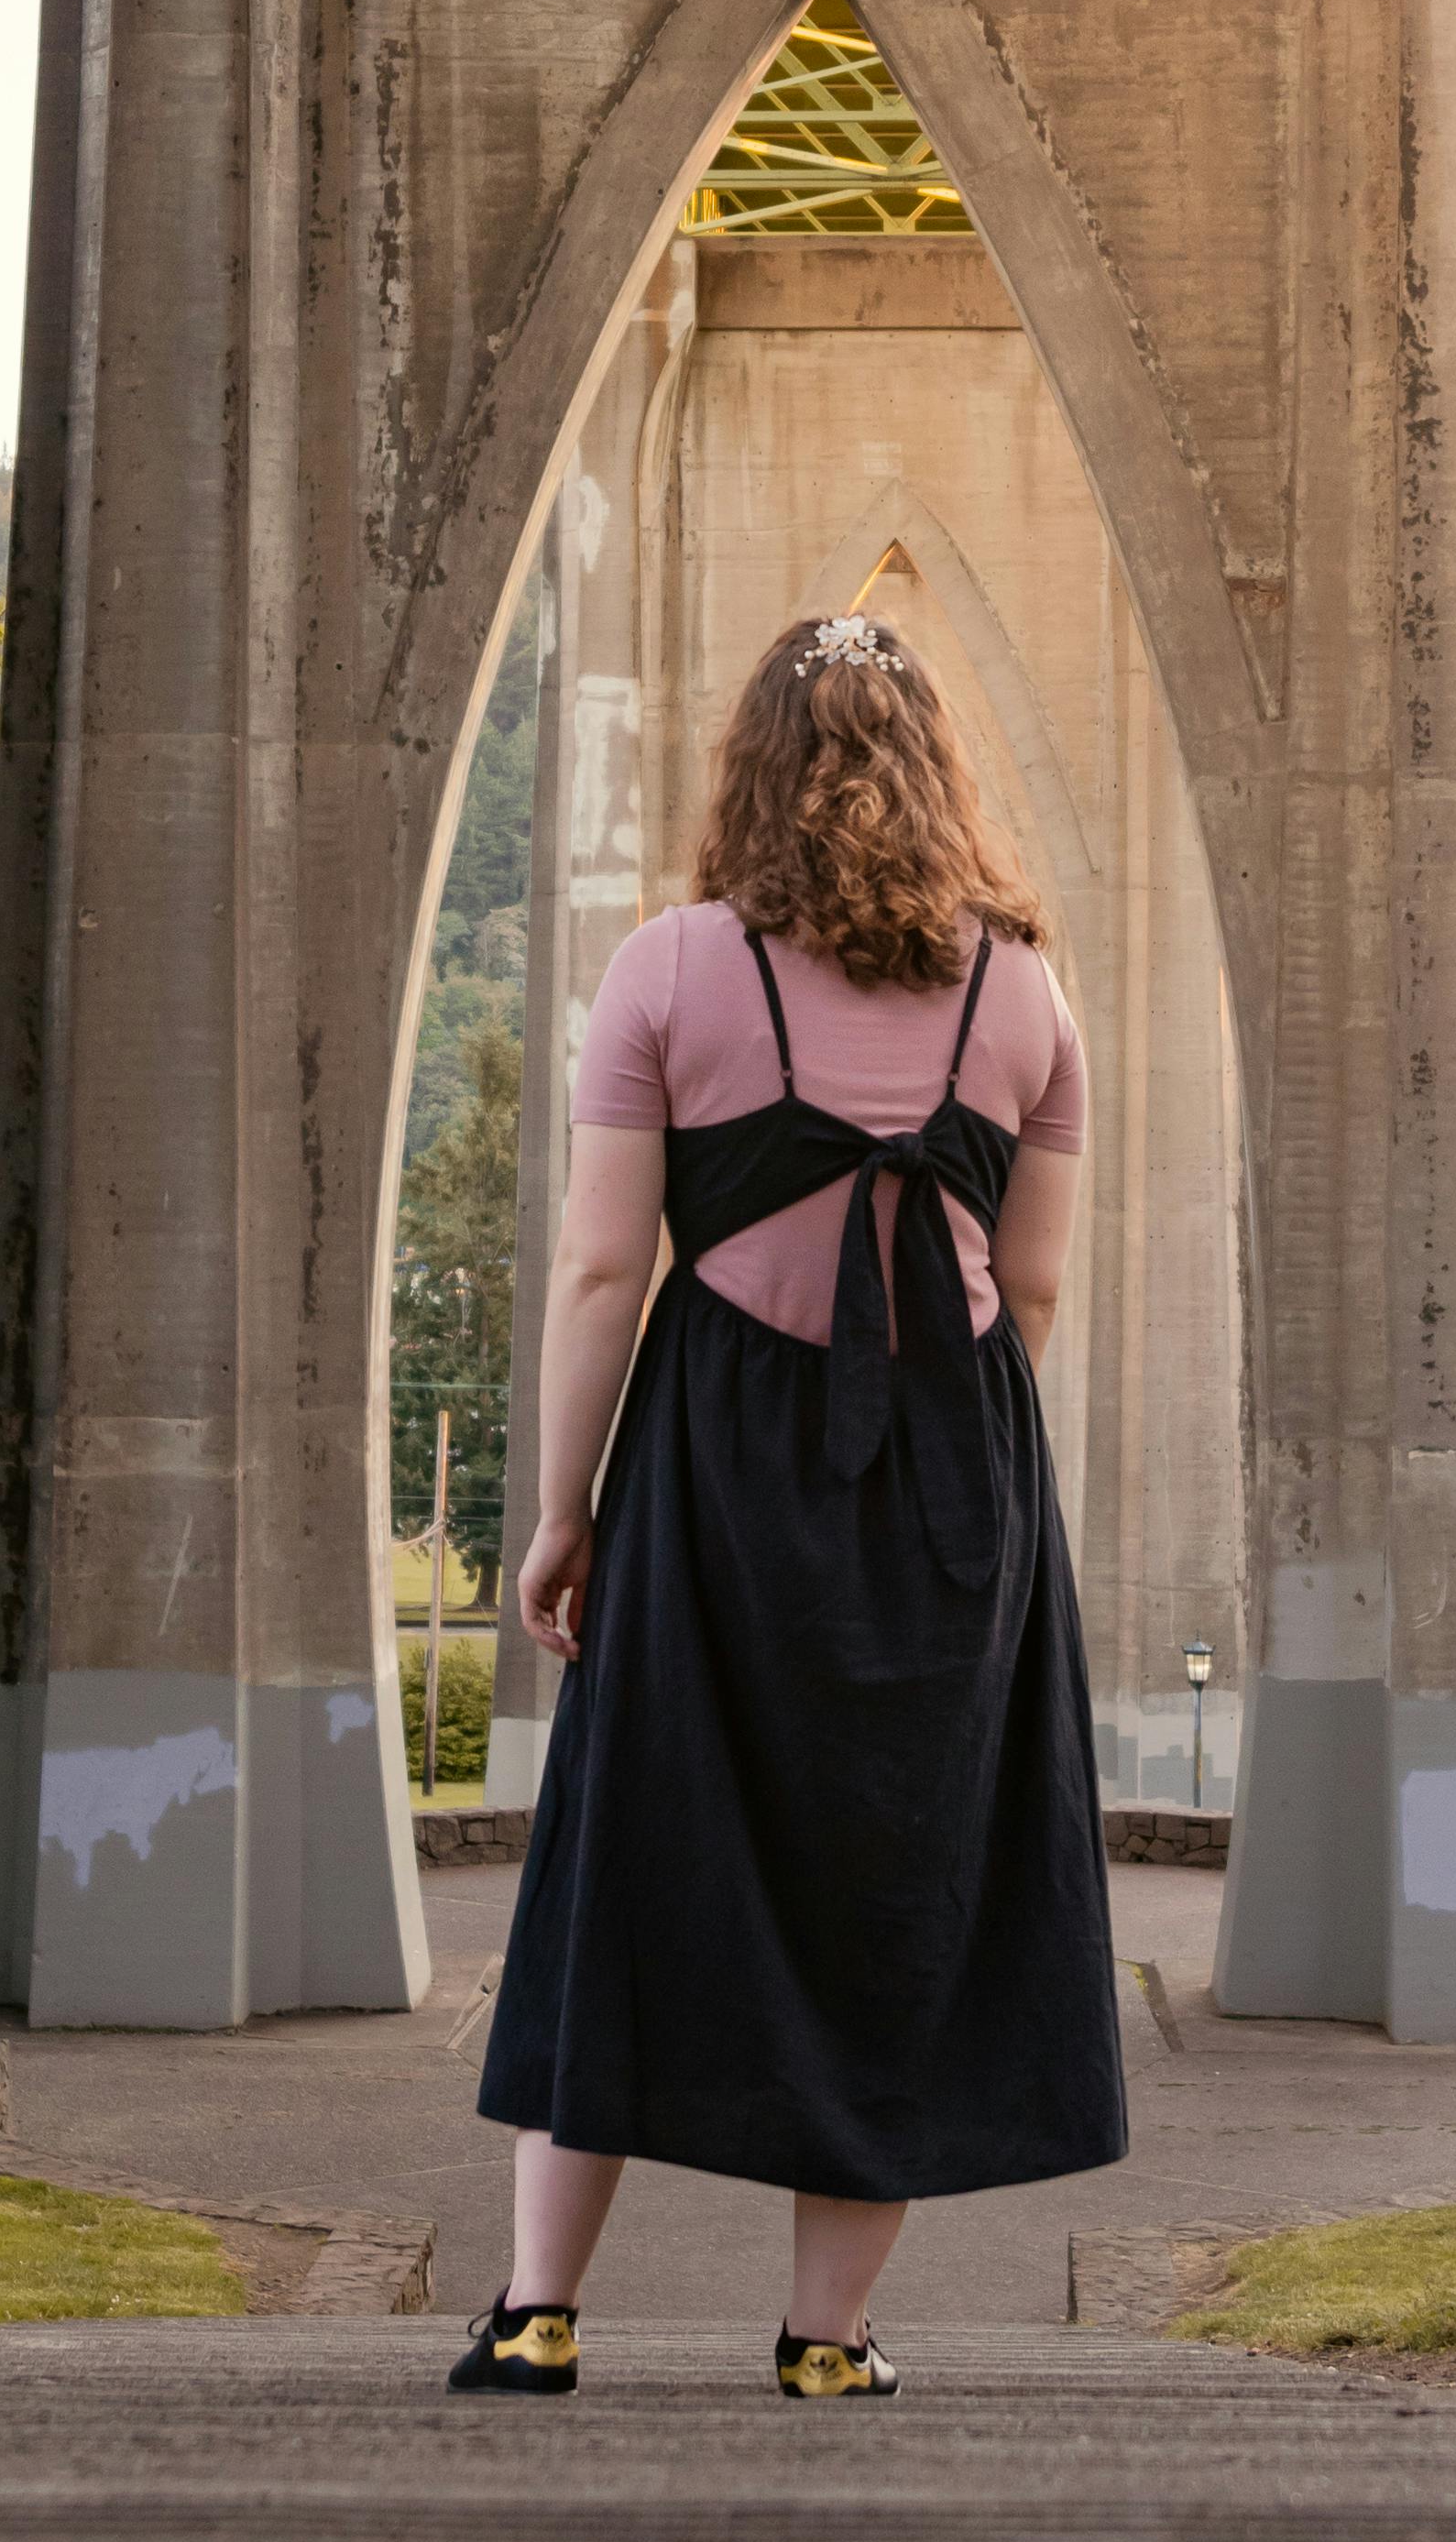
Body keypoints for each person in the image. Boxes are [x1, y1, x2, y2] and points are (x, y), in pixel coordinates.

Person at [464, 605, 1124, 2405]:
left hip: (711, 1461)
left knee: (626, 1854)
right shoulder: (1027, 993)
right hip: (951, 1469)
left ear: (753, 769)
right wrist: (948, 1467)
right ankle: (823, 2344)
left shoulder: (668, 972)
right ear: (941, 782)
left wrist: (561, 1513)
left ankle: (537, 2314)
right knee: (896, 1881)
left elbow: (603, 1275)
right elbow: (1036, 1295)